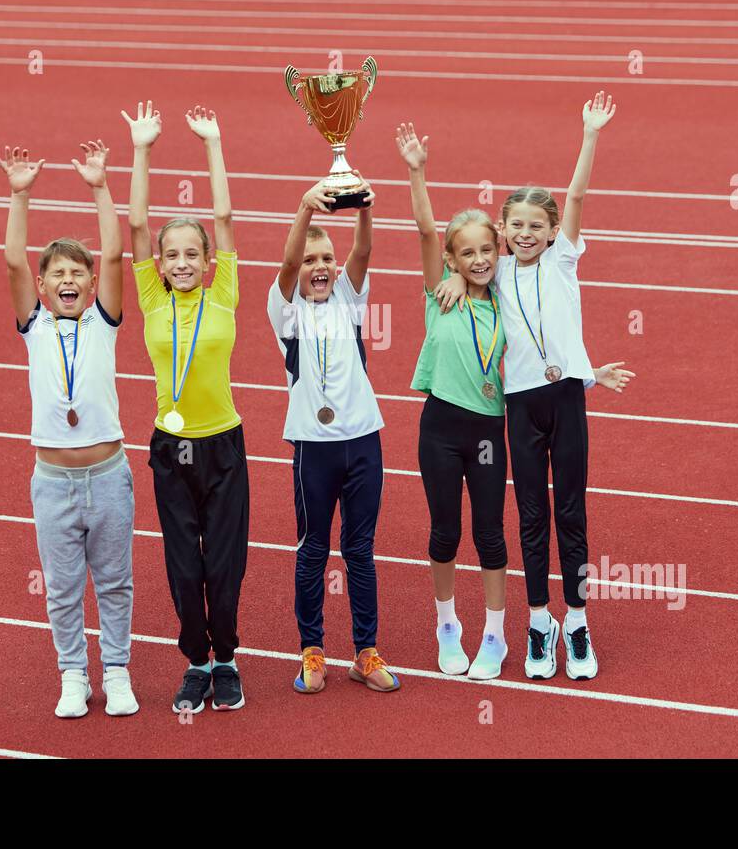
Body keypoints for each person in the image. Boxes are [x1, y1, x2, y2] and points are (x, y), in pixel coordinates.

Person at [437, 92, 634, 681]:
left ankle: (577, 622)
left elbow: (575, 195)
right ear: (504, 230)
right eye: (515, 225)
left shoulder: (562, 261)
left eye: (536, 226)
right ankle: (539, 623)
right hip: (519, 406)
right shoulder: (493, 274)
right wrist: (450, 275)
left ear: (553, 233)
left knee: (570, 512)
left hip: (567, 399)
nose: (525, 234)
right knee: (529, 515)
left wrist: (590, 134)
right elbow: (460, 253)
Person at [0, 140, 138, 717]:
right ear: (43, 285)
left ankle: (119, 673)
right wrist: (20, 194)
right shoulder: (33, 326)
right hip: (53, 480)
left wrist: (100, 186)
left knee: (114, 581)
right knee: (61, 589)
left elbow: (114, 253)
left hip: (108, 475)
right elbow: (12, 260)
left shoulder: (104, 323)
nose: (69, 279)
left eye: (77, 272)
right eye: (57, 273)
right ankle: (73, 676)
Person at [124, 101, 250, 713]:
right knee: (182, 566)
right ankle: (196, 662)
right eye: (171, 256)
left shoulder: (224, 289)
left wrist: (213, 142)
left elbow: (224, 215)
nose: (179, 263)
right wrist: (143, 148)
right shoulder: (150, 296)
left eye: (190, 255)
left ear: (207, 260)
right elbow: (137, 226)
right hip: (169, 449)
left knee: (224, 563)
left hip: (223, 441)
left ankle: (226, 658)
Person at [266, 178, 400, 694]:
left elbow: (362, 249)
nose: (319, 266)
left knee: (361, 549)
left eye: (326, 258)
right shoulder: (286, 312)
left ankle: (365, 652)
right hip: (312, 450)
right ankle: (312, 650)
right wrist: (304, 209)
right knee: (313, 549)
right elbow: (285, 264)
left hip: (364, 440)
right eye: (310, 259)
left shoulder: (347, 296)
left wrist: (363, 209)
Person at [396, 121, 510, 680]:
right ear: (452, 259)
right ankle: (447, 625)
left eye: (487, 249)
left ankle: (495, 633)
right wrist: (418, 170)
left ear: (499, 251)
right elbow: (423, 229)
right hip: (440, 426)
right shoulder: (438, 292)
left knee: (489, 531)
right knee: (445, 531)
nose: (479, 259)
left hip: (489, 431)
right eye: (466, 254)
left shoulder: (508, 299)